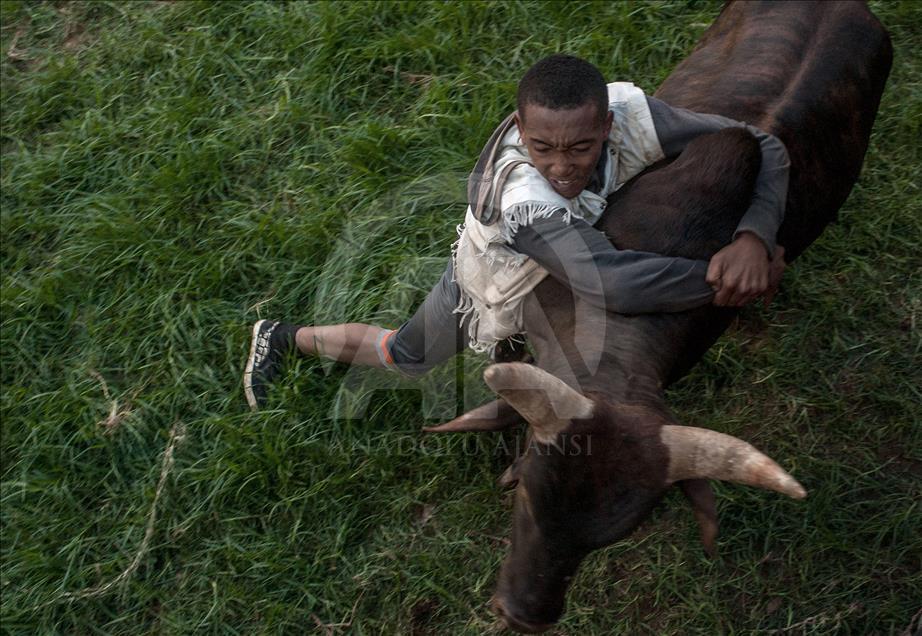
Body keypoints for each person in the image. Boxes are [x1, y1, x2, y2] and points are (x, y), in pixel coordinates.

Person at [243, 54, 789, 410]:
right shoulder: (523, 201)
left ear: (607, 125)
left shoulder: (631, 111)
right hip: (494, 278)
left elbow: (761, 144)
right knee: (405, 357)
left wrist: (752, 238)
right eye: (543, 147)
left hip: (586, 241)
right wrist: (731, 280)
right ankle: (282, 336)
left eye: (581, 147)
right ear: (520, 130)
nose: (562, 167)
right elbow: (612, 283)